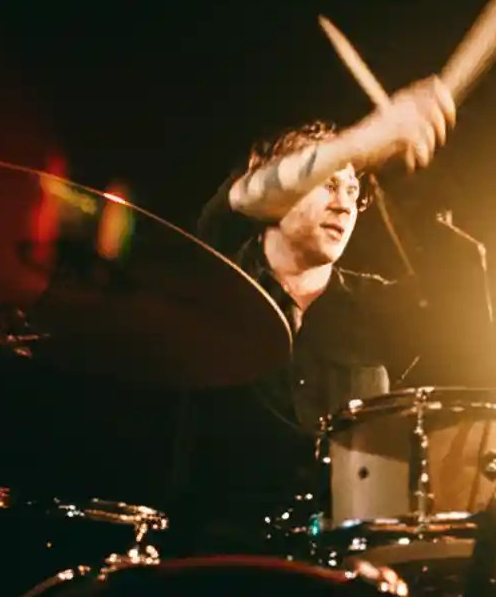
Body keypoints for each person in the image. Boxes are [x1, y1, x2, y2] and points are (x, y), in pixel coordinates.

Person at [171, 75, 458, 554]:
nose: (344, 203)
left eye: (353, 190)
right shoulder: (216, 269)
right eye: (326, 182)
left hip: (340, 566)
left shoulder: (380, 311)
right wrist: (369, 138)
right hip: (219, 559)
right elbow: (245, 197)